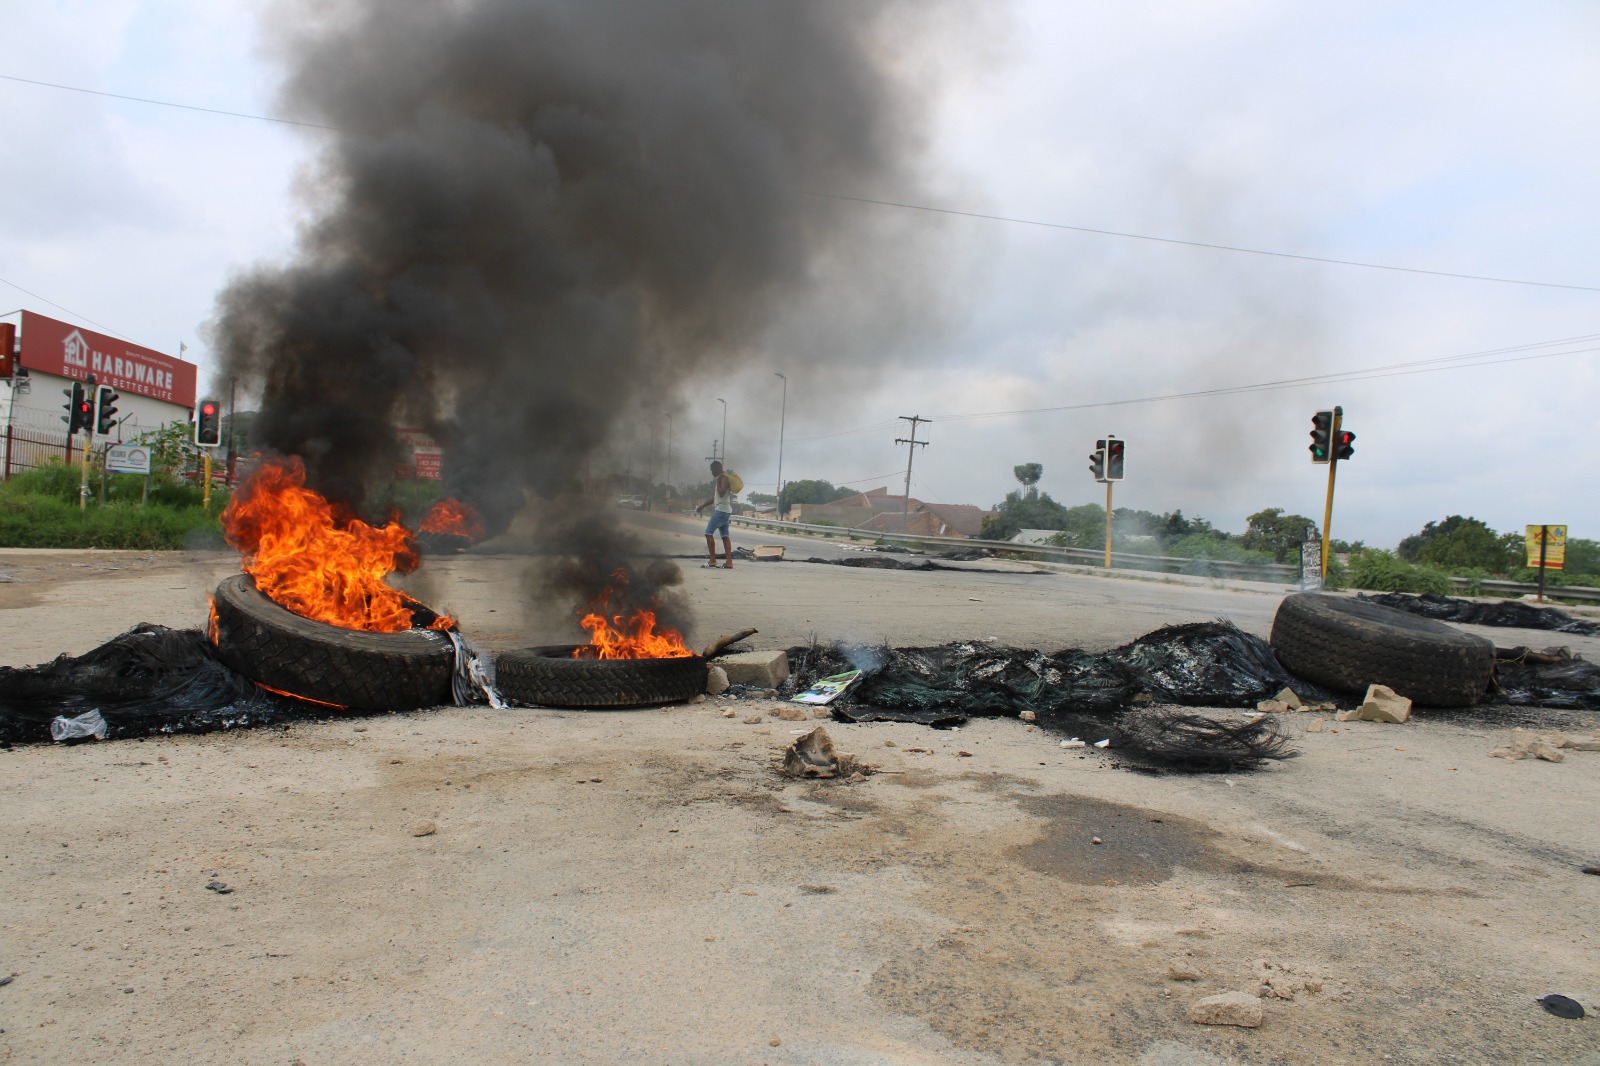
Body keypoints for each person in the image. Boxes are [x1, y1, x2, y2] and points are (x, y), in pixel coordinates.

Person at [695, 460, 735, 569]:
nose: (712, 473)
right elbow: (716, 498)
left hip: (721, 511)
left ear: (717, 468)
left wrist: (718, 480)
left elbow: (721, 493)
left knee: (708, 533)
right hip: (724, 510)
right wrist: (703, 506)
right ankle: (729, 562)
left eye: (712, 470)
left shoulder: (723, 478)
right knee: (725, 536)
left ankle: (712, 560)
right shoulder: (722, 478)